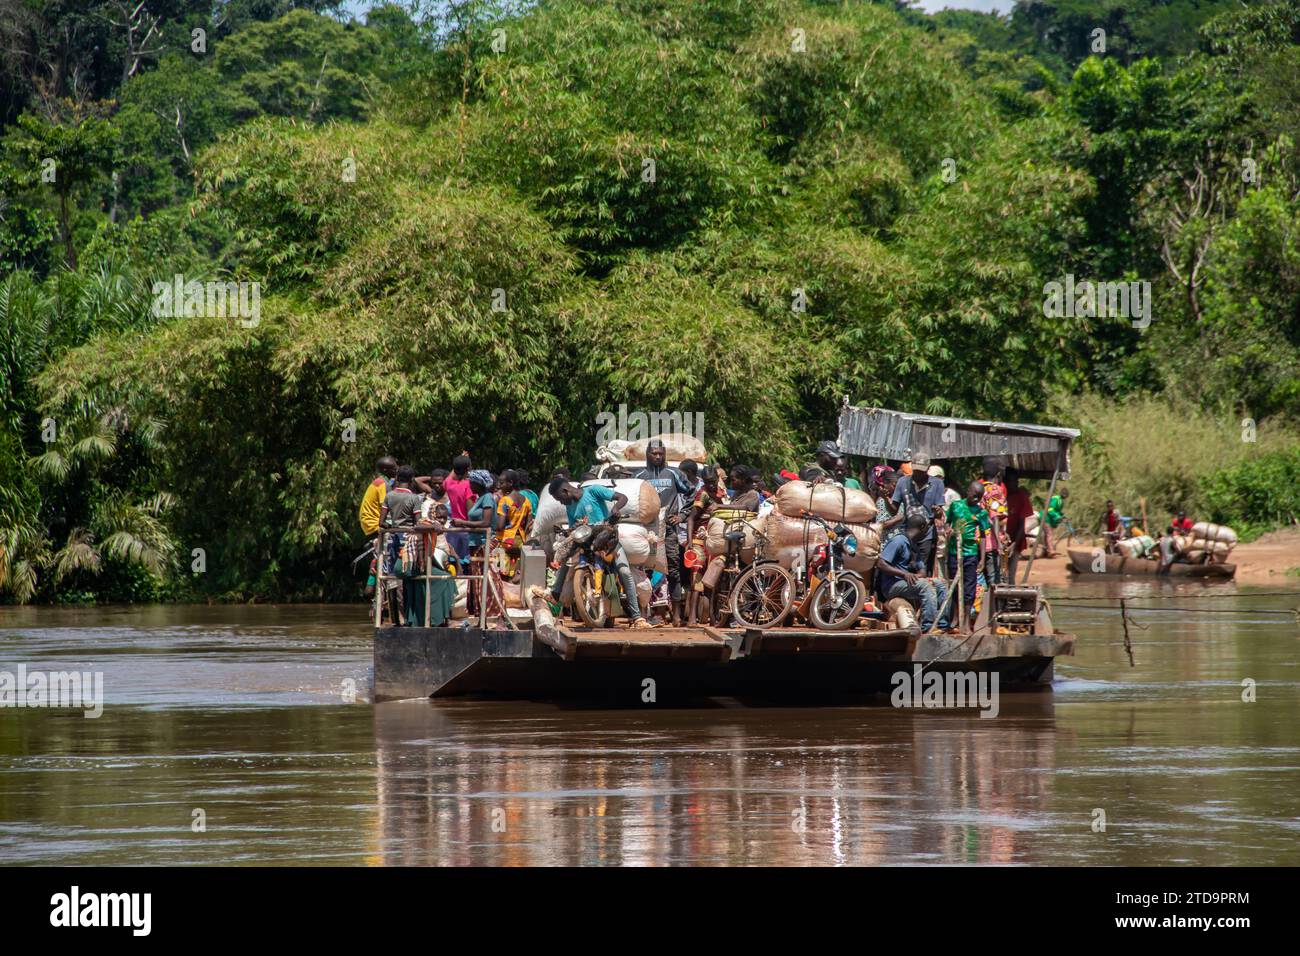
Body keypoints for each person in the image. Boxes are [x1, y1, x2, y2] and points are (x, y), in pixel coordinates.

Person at [635, 438, 694, 620]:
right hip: (645, 530)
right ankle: (644, 613)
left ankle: (676, 614)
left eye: (661, 453)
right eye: (654, 453)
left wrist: (682, 516)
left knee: (673, 569)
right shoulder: (638, 477)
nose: (658, 457)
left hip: (668, 530)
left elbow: (691, 492)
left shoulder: (673, 474)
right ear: (648, 454)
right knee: (643, 569)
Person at [875, 513, 950, 633]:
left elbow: (923, 572)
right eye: (926, 528)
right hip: (892, 585)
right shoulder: (898, 541)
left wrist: (916, 576)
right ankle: (928, 626)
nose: (927, 532)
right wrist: (904, 574)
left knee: (941, 583)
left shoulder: (913, 546)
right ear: (922, 527)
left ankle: (943, 625)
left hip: (906, 583)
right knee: (925, 586)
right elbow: (881, 563)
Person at [890, 453, 947, 575]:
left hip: (927, 534)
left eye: (921, 471)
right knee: (904, 565)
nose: (918, 474)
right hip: (907, 532)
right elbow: (893, 510)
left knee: (922, 567)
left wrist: (937, 512)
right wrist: (885, 499)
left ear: (928, 468)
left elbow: (939, 513)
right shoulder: (903, 482)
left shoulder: (937, 484)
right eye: (916, 470)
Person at [946, 480, 991, 629]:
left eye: (980, 497)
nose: (977, 500)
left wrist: (982, 558)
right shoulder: (956, 506)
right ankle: (955, 618)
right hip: (954, 551)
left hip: (970, 553)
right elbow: (948, 523)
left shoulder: (981, 513)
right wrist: (949, 532)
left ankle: (965, 620)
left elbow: (984, 536)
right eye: (975, 496)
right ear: (968, 492)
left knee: (969, 587)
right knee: (954, 584)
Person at [494, 469, 533, 578]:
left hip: (506, 540)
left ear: (510, 483)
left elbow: (500, 526)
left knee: (501, 573)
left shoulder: (505, 501)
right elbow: (529, 525)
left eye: (502, 483)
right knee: (514, 572)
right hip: (520, 541)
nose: (499, 485)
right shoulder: (526, 501)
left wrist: (492, 526)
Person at [977, 457, 1008, 584]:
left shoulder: (978, 488)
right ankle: (993, 604)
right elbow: (994, 517)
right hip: (991, 543)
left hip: (977, 540)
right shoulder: (995, 490)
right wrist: (999, 544)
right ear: (999, 474)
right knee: (994, 580)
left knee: (980, 578)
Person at [443, 454, 475, 567]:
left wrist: (459, 461)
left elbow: (449, 477)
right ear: (468, 469)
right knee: (467, 564)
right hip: (466, 529)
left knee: (452, 563)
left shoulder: (449, 485)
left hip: (453, 530)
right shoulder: (468, 486)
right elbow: (471, 512)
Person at [1004, 467, 1034, 581]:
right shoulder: (999, 494)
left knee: (1011, 573)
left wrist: (1014, 543)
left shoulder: (1021, 497)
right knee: (1001, 573)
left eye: (1017, 481)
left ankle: (1010, 593)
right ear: (1006, 482)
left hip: (1015, 539)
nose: (1015, 484)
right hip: (999, 541)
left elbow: (1022, 523)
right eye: (1012, 481)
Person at [358, 455, 397, 537]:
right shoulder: (382, 484)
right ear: (385, 470)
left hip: (368, 524)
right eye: (394, 468)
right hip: (374, 525)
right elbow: (387, 506)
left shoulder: (380, 481)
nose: (397, 469)